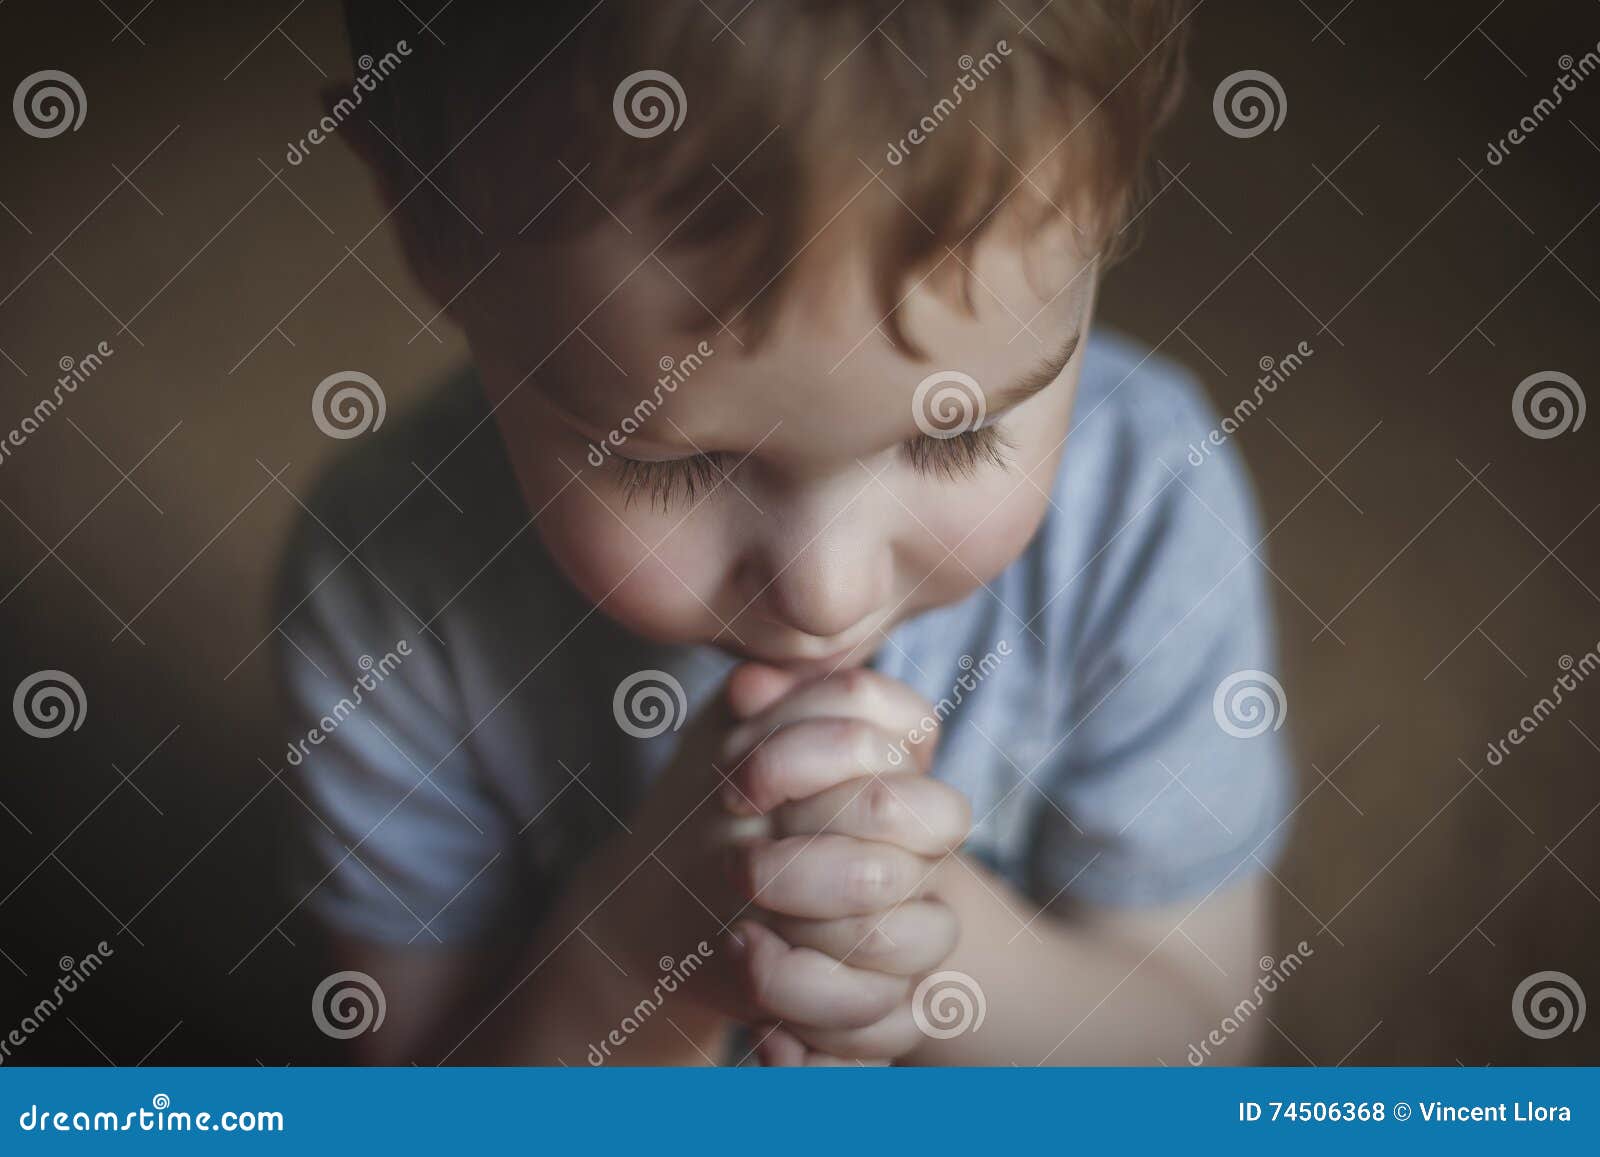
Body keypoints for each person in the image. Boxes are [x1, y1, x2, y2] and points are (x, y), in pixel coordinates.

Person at [274, 0, 1292, 1065]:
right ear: (424, 219)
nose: (826, 590)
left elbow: (1199, 1045)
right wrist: (635, 956)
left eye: (954, 438)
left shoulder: (1142, 503)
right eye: (672, 462)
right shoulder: (386, 586)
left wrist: (927, 941)